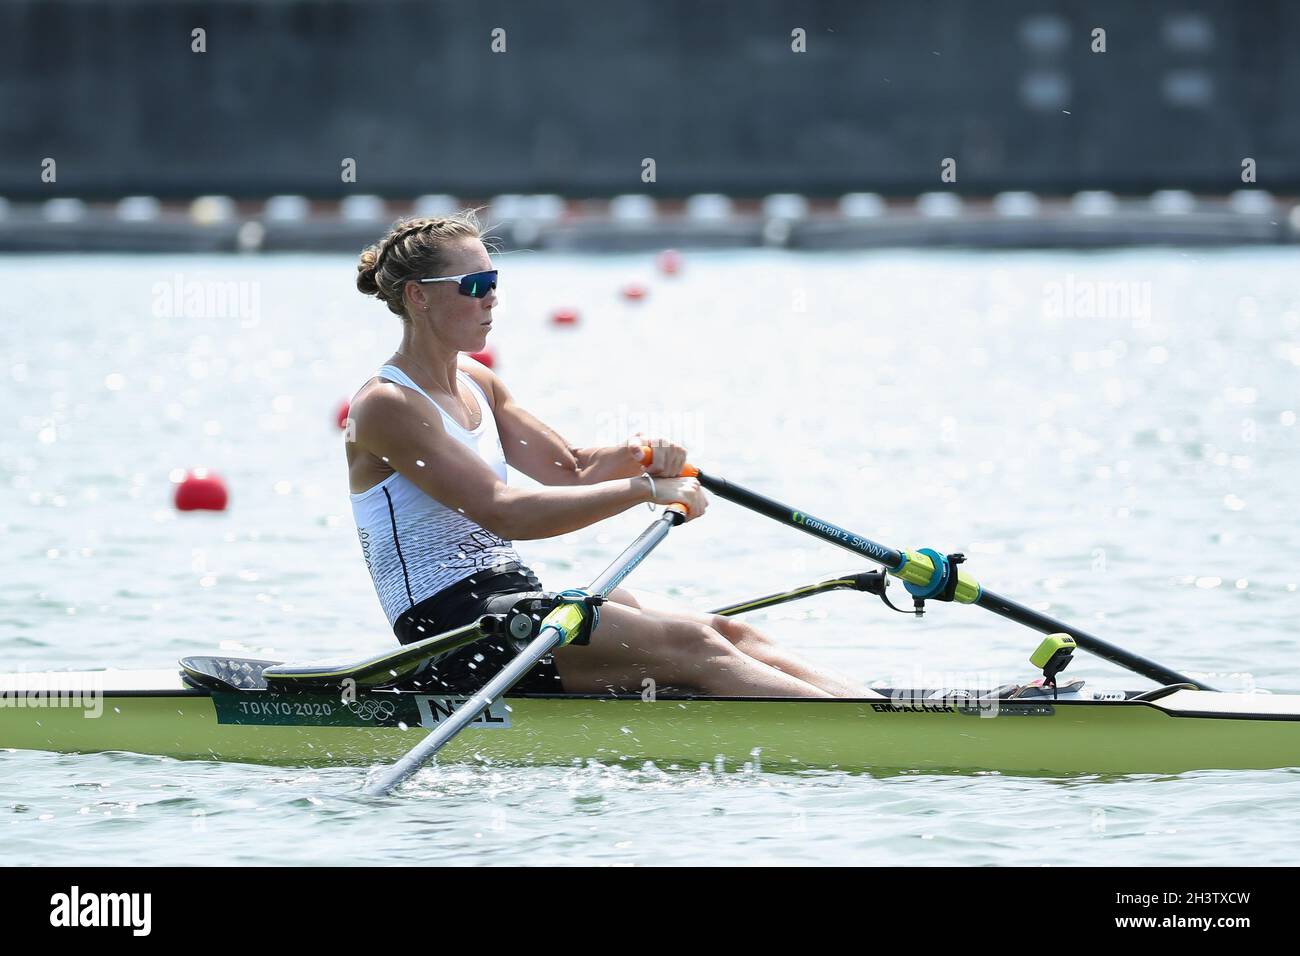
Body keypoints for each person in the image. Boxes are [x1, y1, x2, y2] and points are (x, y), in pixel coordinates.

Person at [347, 212, 872, 698]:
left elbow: (570, 468)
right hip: (450, 635)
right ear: (418, 296)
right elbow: (501, 511)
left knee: (725, 630)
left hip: (512, 607)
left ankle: (872, 711)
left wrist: (641, 456)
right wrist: (643, 490)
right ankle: (866, 745)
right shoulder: (386, 405)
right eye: (475, 286)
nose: (491, 300)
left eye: (495, 282)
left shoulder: (477, 381)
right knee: (696, 649)